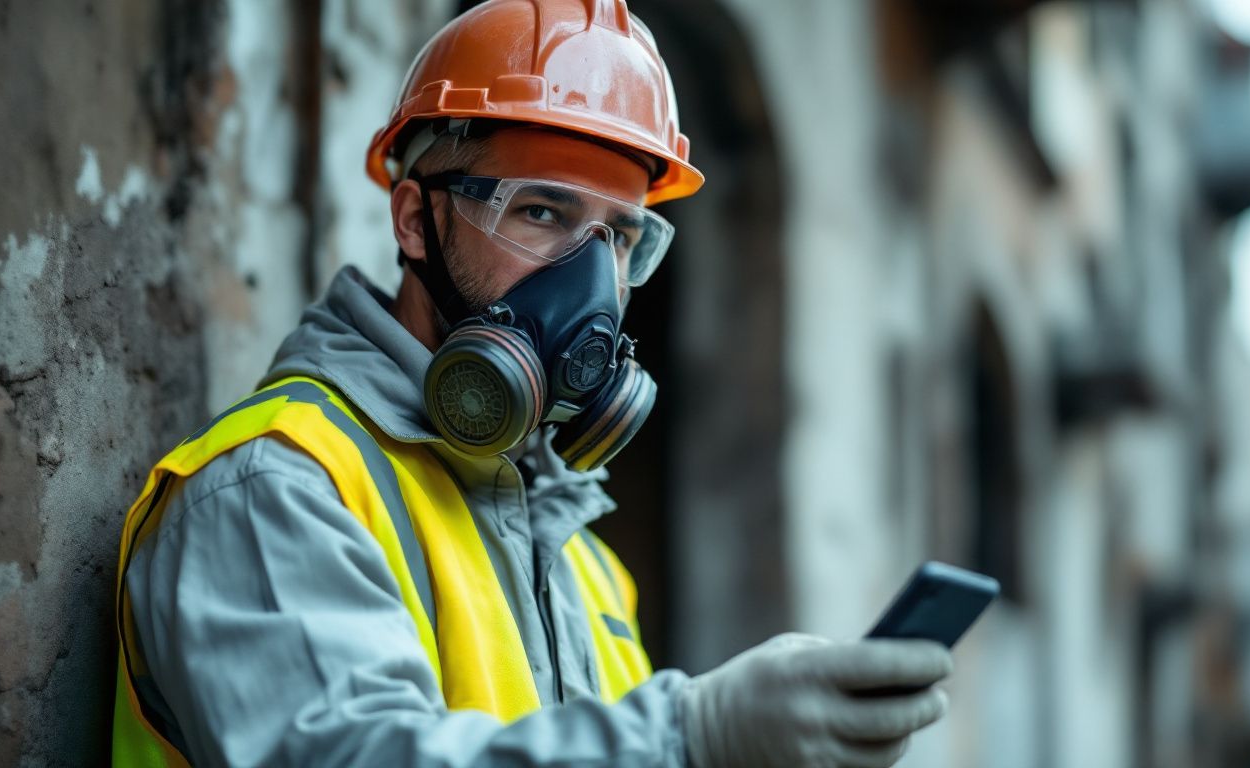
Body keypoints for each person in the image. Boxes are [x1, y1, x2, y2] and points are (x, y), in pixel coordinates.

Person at [110, 1, 954, 765]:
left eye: (619, 239)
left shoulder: (581, 557)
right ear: (414, 219)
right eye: (541, 212)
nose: (590, 283)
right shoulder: (277, 487)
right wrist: (693, 739)